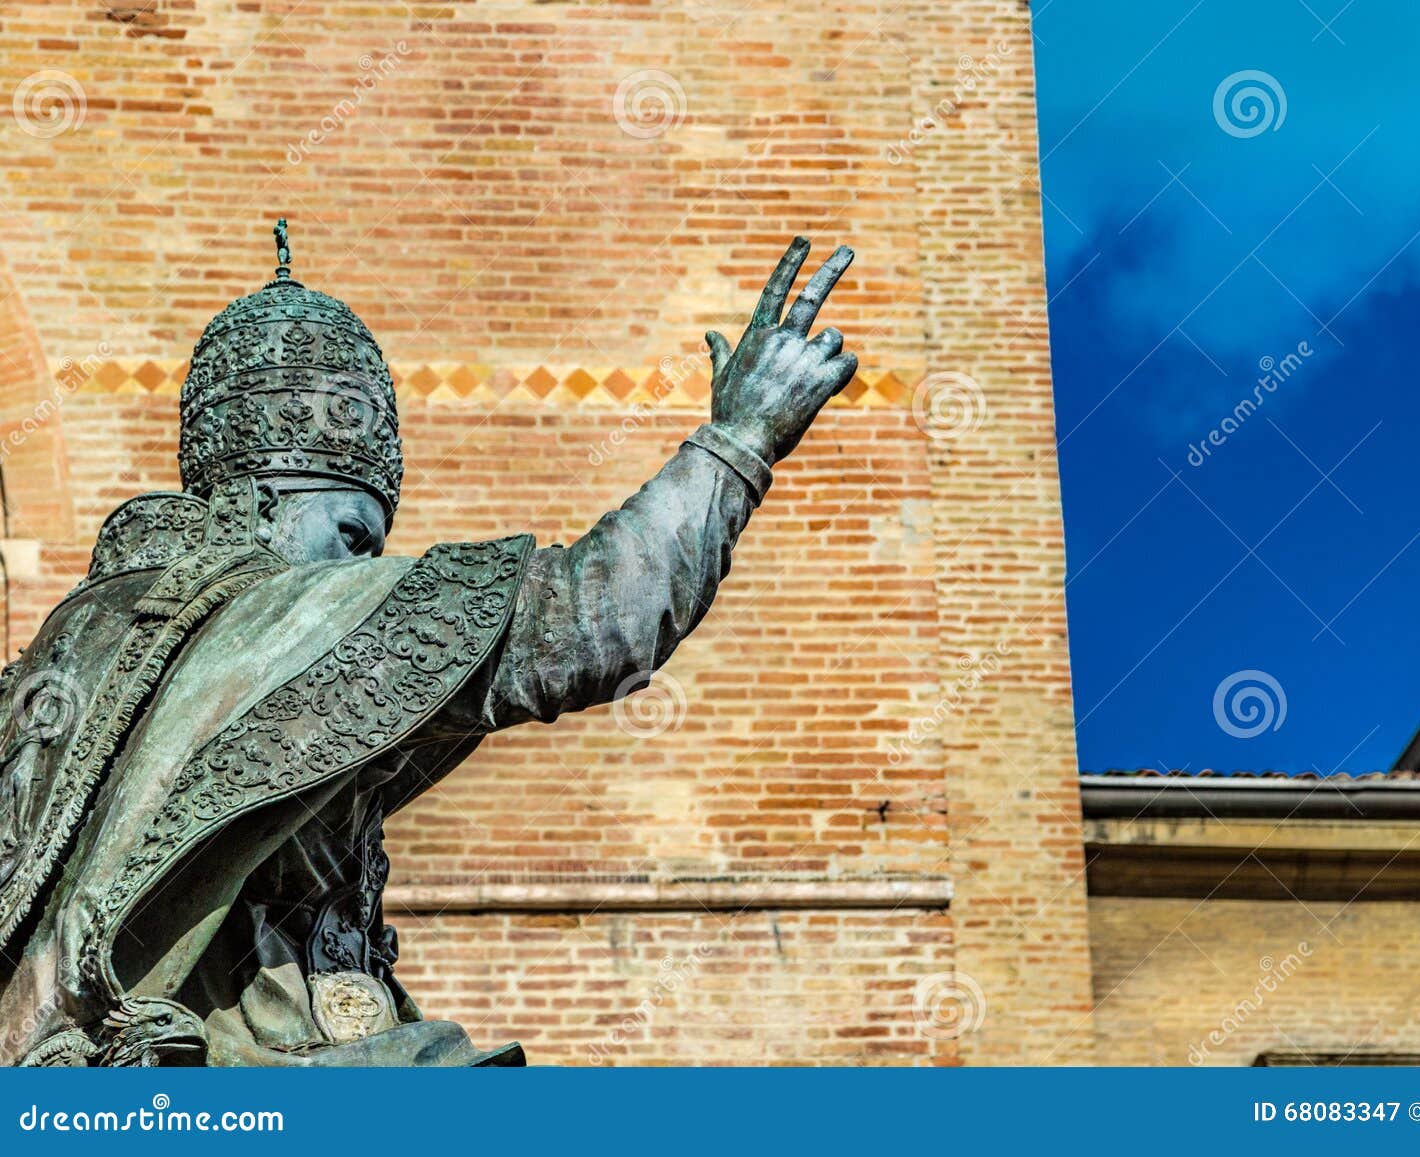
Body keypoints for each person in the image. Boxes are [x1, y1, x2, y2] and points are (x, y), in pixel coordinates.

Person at [0, 224, 856, 1066]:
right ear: (256, 509)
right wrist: (739, 440)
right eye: (352, 535)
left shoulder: (74, 649)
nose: (366, 570)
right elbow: (595, 614)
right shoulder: (270, 613)